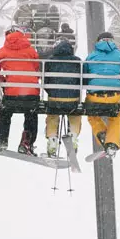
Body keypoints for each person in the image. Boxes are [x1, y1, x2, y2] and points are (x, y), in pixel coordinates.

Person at [0, 25, 41, 154]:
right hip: (31, 93)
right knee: (31, 114)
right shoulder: (31, 51)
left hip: (11, 94)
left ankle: (1, 141)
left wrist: (4, 82)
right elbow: (37, 69)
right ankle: (26, 142)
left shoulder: (2, 51)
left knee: (4, 113)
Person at [83, 30, 120, 153]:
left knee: (91, 113)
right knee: (115, 116)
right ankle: (111, 142)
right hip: (114, 95)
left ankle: (101, 133)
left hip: (95, 96)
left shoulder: (91, 56)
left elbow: (83, 75)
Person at [41, 23, 83, 159]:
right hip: (72, 100)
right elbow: (82, 81)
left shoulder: (49, 61)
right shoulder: (78, 62)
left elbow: (45, 82)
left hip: (55, 99)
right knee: (74, 114)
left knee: (53, 115)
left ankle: (52, 139)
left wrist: (53, 93)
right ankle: (74, 135)